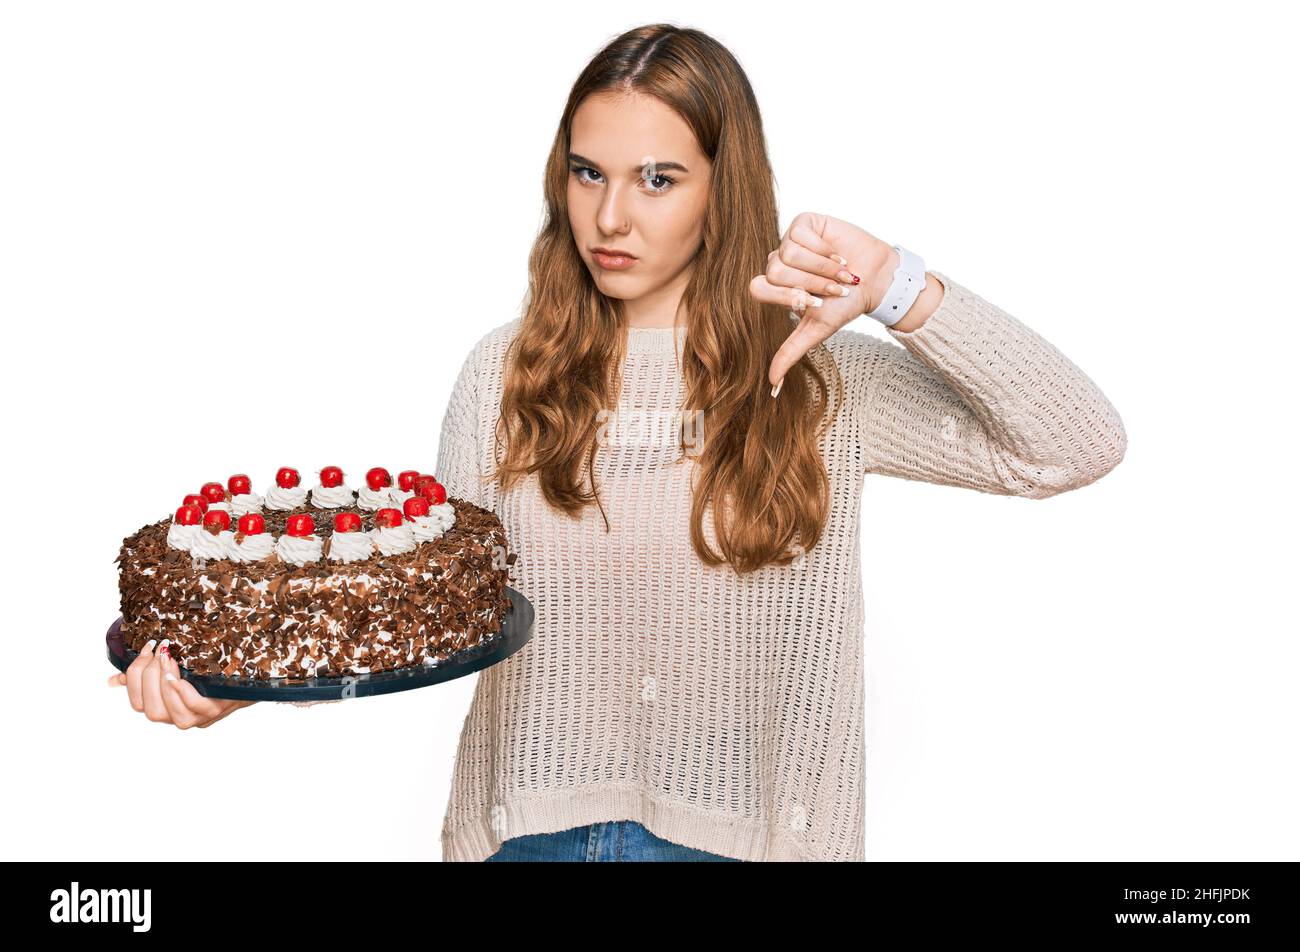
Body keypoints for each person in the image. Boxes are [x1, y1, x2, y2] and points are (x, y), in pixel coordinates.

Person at [111, 22, 1127, 864]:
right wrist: (238, 685)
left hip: (752, 848)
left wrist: (899, 286)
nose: (608, 216)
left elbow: (1071, 443)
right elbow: (433, 613)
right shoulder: (503, 372)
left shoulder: (822, 381)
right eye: (588, 173)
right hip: (525, 842)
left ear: (722, 192)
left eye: (656, 179)